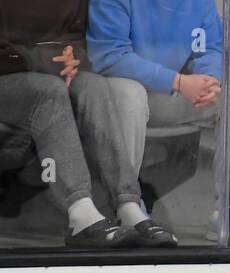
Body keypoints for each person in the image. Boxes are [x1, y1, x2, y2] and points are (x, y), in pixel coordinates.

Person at [0, 0, 176, 247]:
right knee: (48, 92)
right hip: (12, 76)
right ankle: (80, 215)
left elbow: (78, 38)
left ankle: (128, 205)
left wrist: (74, 59)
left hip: (46, 69)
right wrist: (41, 60)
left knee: (94, 87)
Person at [87, 0, 230, 244]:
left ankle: (227, 211)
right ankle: (128, 206)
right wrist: (177, 82)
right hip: (119, 94)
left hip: (168, 94)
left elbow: (210, 49)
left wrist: (208, 80)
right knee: (129, 93)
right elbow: (110, 56)